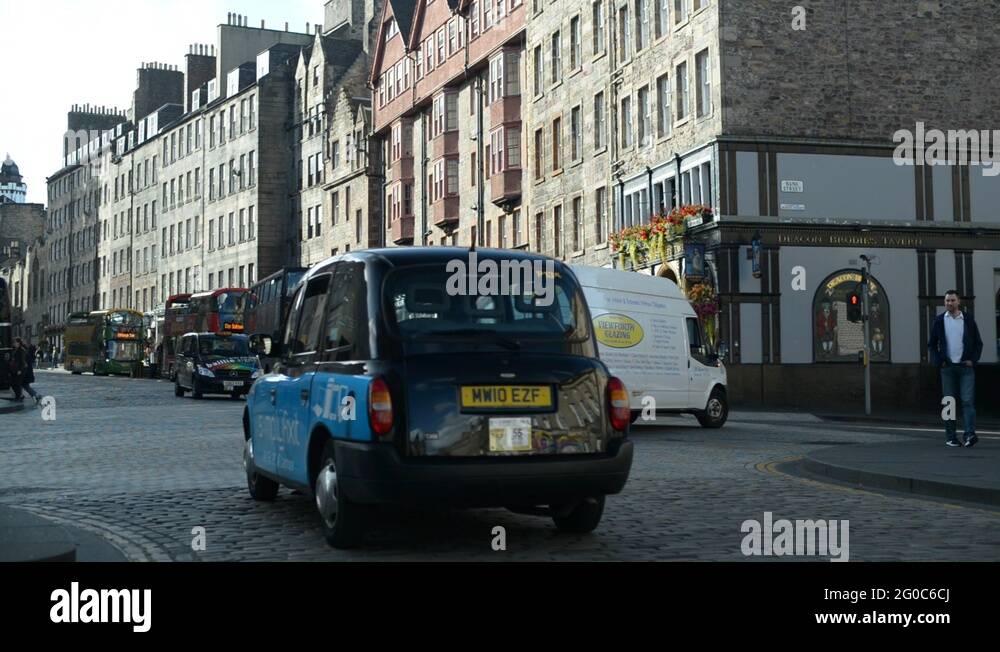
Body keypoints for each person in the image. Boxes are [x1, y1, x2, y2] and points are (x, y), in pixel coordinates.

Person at [927, 290, 983, 448]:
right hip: (948, 368)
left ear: (959, 302)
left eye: (952, 300)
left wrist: (973, 360)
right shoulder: (939, 321)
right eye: (947, 301)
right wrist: (939, 361)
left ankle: (969, 435)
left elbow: (978, 343)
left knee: (967, 401)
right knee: (948, 403)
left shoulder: (968, 320)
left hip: (966, 367)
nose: (949, 303)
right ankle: (951, 437)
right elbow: (932, 345)